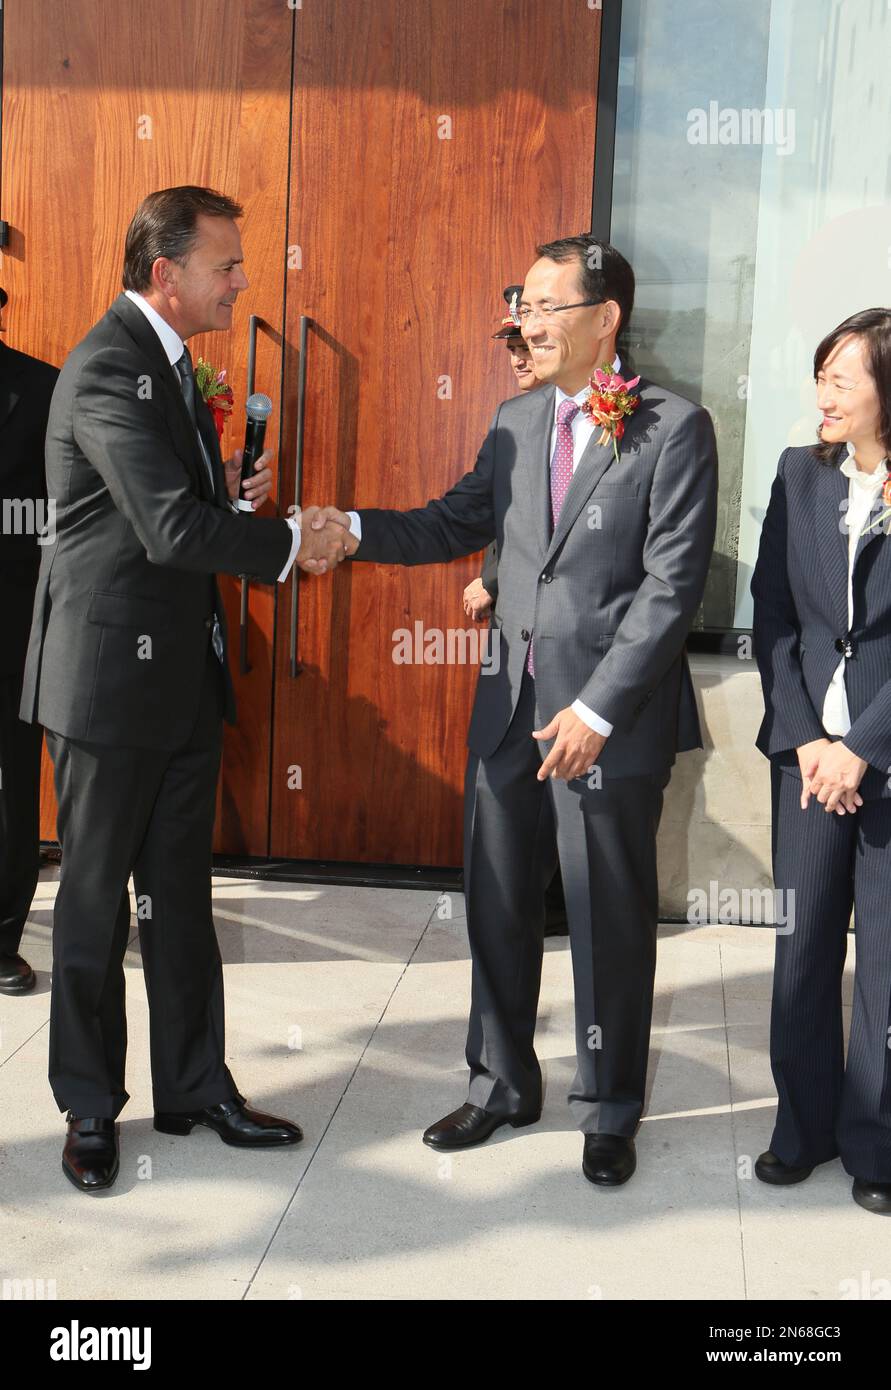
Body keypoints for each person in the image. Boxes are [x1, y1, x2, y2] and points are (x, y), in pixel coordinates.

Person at [313, 236, 717, 1186]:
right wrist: (354, 529)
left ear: (603, 317)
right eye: (521, 307)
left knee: (607, 915)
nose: (525, 323)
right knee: (495, 903)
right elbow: (457, 521)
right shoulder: (514, 418)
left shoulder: (673, 426)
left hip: (605, 723)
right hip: (507, 708)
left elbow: (669, 588)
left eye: (544, 306)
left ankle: (610, 1104)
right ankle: (499, 1082)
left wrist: (599, 711)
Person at [18, 185, 351, 1192]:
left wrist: (235, 494)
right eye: (227, 266)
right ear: (166, 274)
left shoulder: (169, 366)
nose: (241, 281)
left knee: (180, 898)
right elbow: (166, 530)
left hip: (180, 681)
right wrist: (291, 541)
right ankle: (86, 1105)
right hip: (108, 686)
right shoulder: (108, 368)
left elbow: (175, 510)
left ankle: (195, 1086)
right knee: (92, 903)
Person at [751, 306, 891, 1216]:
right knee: (801, 951)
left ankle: (874, 1141)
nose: (822, 395)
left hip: (882, 761)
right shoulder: (799, 476)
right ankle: (798, 1128)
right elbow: (772, 618)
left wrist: (863, 748)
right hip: (805, 759)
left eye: (842, 379)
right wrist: (807, 738)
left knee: (884, 964)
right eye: (819, 376)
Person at [0, 285, 58, 994]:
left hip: (14, 624)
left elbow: (57, 511)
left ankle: (2, 939)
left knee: (12, 784)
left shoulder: (43, 388)